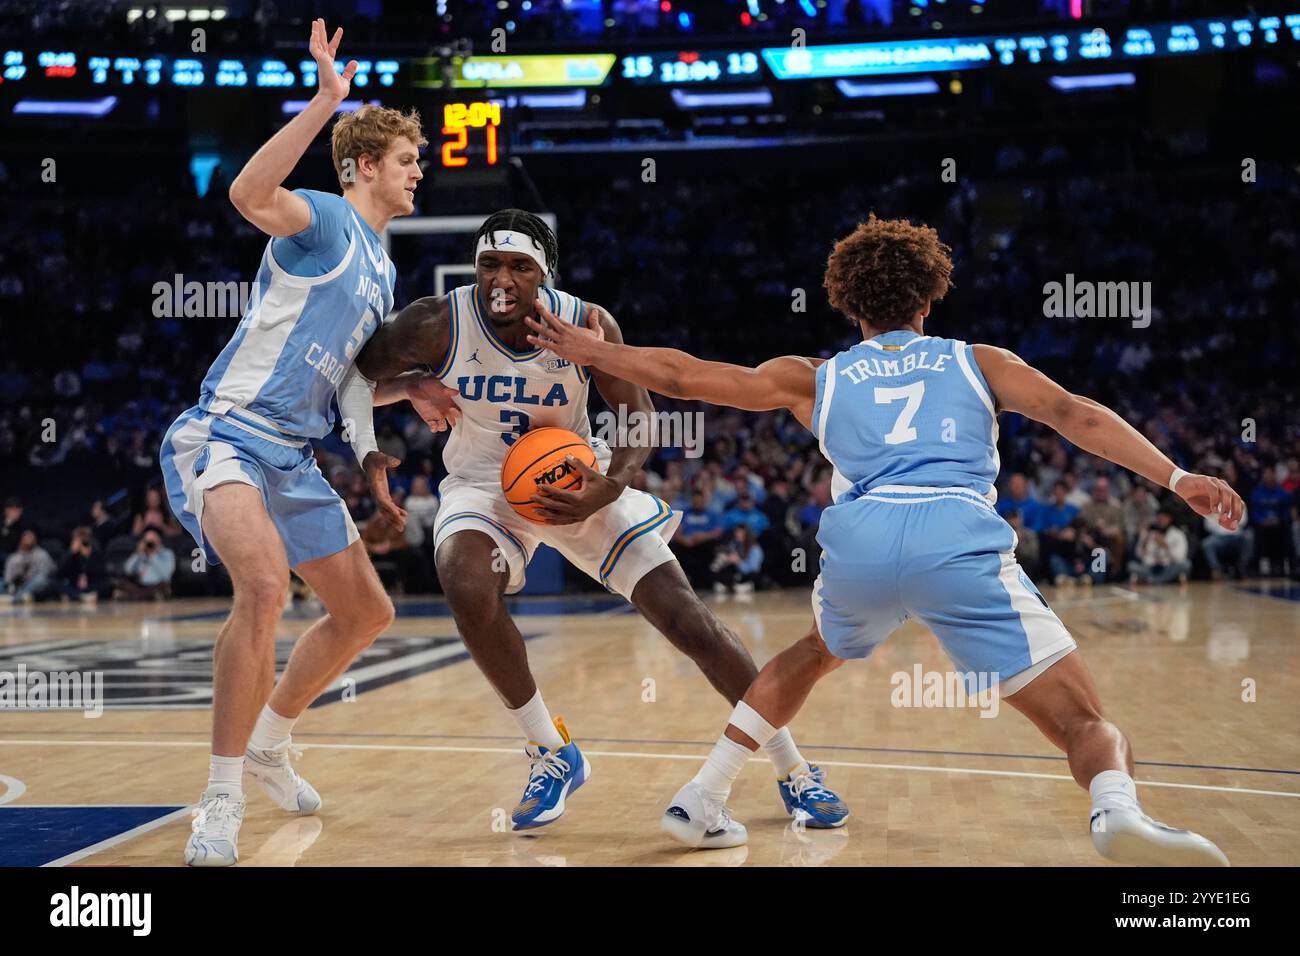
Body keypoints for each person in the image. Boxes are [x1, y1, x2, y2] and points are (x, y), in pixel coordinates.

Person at [527, 212, 1242, 865]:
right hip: (954, 536)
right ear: (929, 299)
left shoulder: (816, 377)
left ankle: (702, 794)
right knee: (1084, 721)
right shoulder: (978, 361)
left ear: (846, 301)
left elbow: (685, 376)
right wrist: (1177, 477)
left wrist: (595, 351)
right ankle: (1116, 809)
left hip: (862, 543)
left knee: (811, 654)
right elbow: (1072, 413)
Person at [345, 208, 846, 840]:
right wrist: (405, 398)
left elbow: (637, 413)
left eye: (519, 266)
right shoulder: (434, 321)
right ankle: (551, 751)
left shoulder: (585, 323)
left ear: (546, 274)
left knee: (689, 622)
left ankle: (793, 769)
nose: (501, 279)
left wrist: (612, 483)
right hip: (483, 485)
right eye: (489, 264)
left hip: (574, 478)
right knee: (466, 585)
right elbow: (356, 377)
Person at [158, 19, 435, 866]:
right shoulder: (320, 219)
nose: (418, 170)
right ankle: (219, 795)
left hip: (294, 452)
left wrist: (406, 390)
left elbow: (344, 383)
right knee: (265, 586)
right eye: (405, 160)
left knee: (366, 611)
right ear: (361, 169)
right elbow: (247, 194)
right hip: (227, 434)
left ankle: (272, 743)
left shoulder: (384, 270)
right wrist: (325, 102)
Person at [1127, 511, 1191, 585]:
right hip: (1150, 568)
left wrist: (1165, 545)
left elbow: (1180, 557)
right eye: (1159, 517)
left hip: (1168, 567)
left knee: (1186, 564)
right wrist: (1144, 544)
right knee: (1131, 566)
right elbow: (1138, 555)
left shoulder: (1177, 534)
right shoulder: (1148, 532)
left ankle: (1154, 581)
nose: (1161, 520)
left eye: (1164, 518)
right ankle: (1159, 580)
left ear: (1170, 519)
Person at [115, 528, 177, 600]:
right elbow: (128, 570)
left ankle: (132, 596)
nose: (150, 545)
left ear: (159, 541)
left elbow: (166, 575)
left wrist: (153, 556)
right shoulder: (141, 554)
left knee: (164, 586)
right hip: (142, 586)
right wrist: (137, 554)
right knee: (122, 582)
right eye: (148, 542)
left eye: (152, 542)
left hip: (158, 584)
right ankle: (147, 596)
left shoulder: (166, 554)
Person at [1, 529, 54, 604]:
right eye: (26, 538)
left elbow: (45, 574)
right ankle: (19, 596)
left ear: (35, 540)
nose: (28, 541)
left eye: (30, 538)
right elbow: (8, 578)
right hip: (17, 585)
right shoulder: (14, 557)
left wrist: (30, 577)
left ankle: (20, 596)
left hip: (34, 585)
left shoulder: (42, 554)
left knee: (41, 580)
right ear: (21, 540)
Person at [59, 526, 106, 603]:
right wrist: (71, 553)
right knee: (53, 581)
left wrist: (88, 556)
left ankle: (74, 596)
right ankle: (80, 596)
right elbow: (60, 572)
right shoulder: (71, 553)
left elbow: (101, 573)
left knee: (107, 584)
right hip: (74, 585)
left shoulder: (96, 550)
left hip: (92, 585)